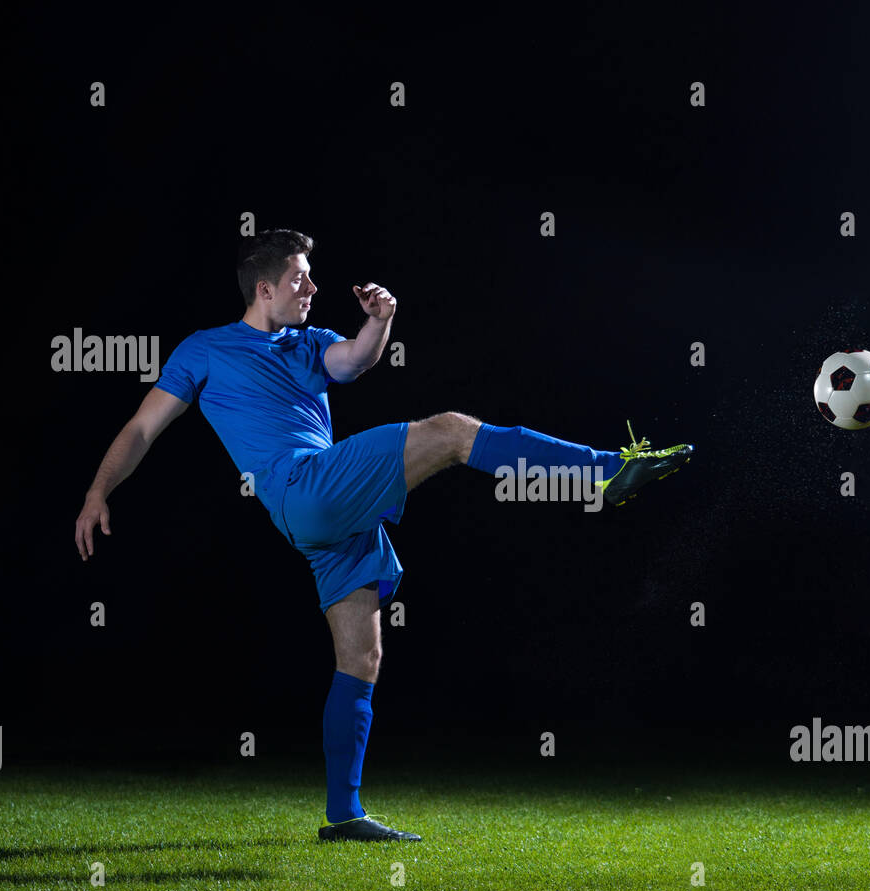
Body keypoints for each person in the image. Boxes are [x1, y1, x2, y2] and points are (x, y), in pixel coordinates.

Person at [74, 229, 693, 843]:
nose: (311, 287)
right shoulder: (205, 350)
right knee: (450, 431)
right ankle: (603, 471)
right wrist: (98, 491)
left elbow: (354, 359)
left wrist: (380, 321)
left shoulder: (309, 341)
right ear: (264, 288)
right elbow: (141, 428)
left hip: (323, 518)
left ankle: (344, 815)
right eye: (299, 278)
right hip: (305, 486)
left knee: (361, 658)